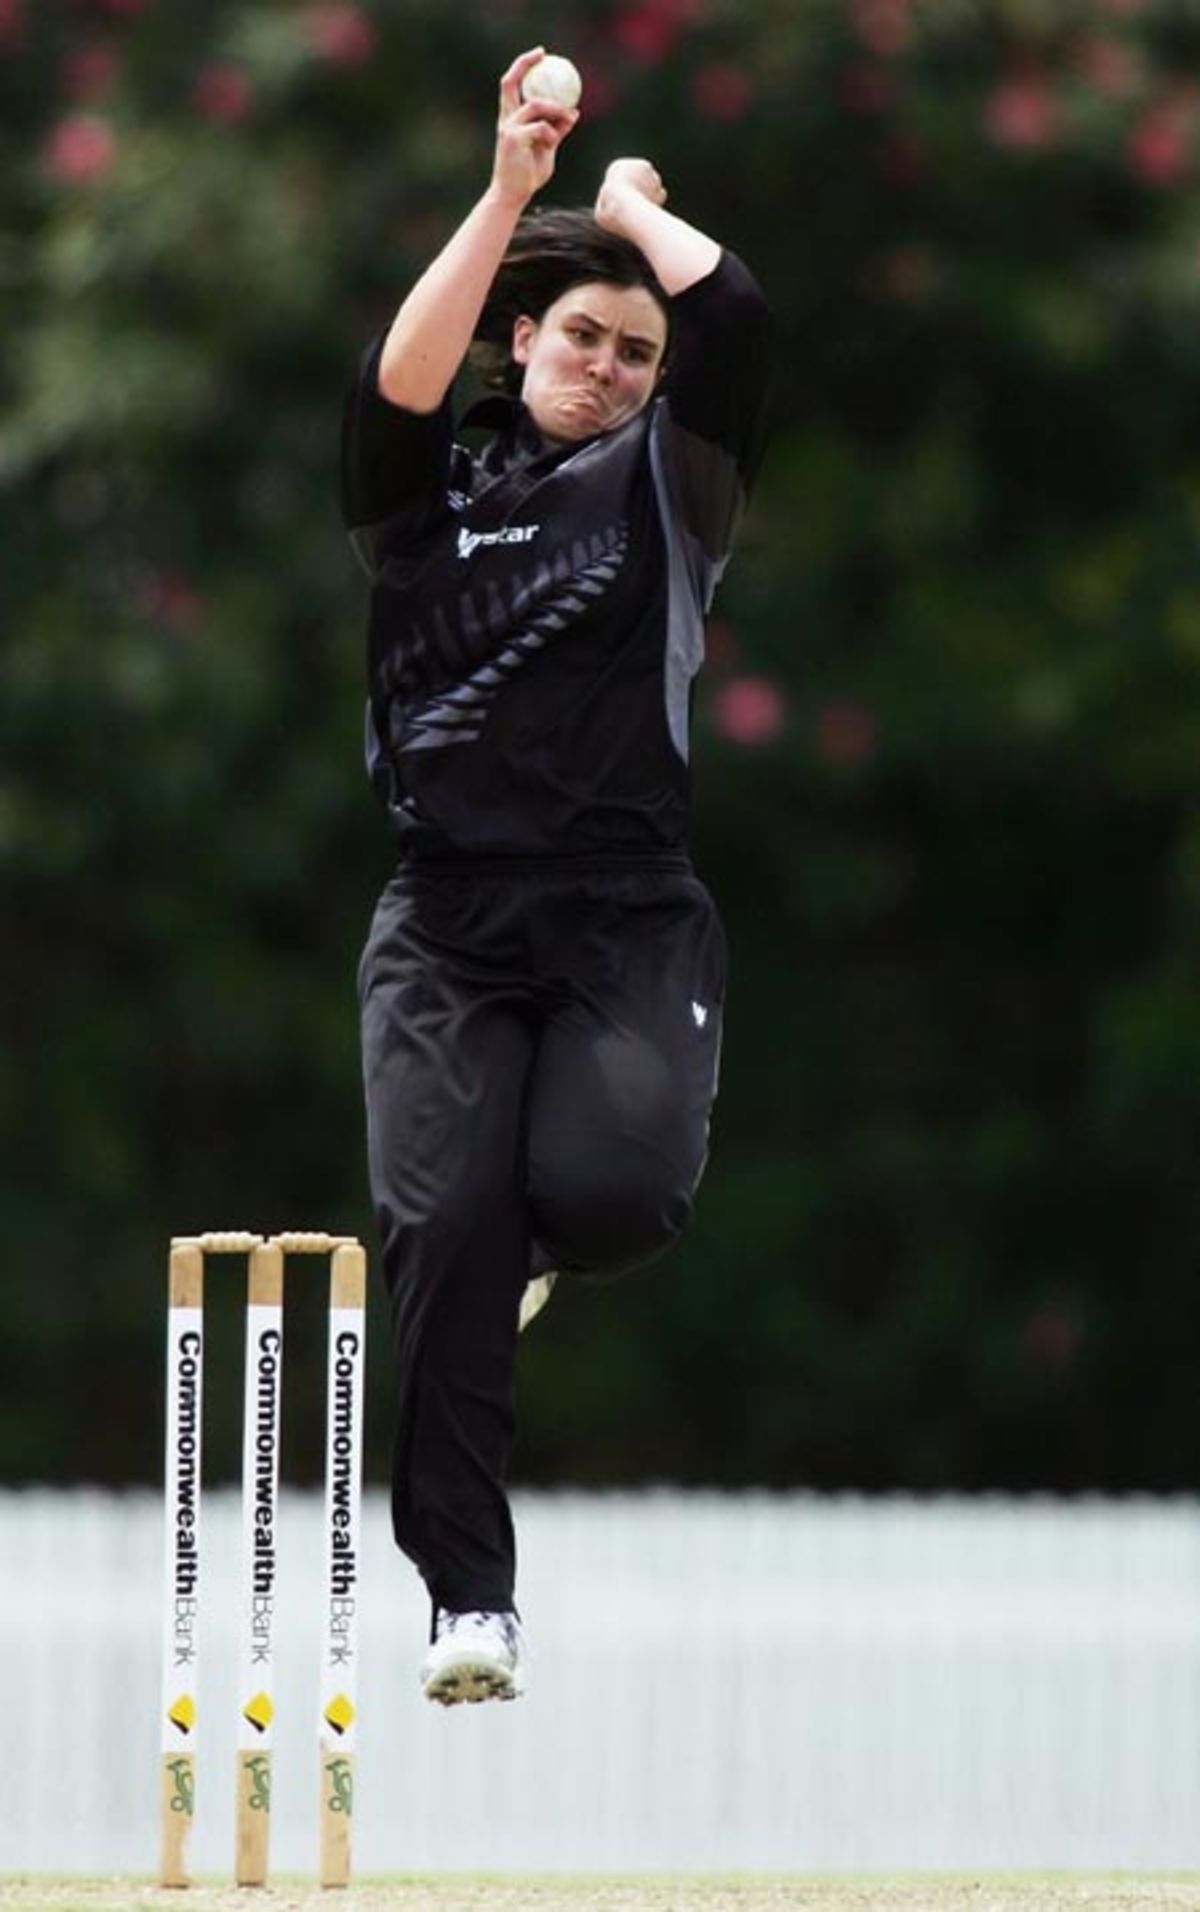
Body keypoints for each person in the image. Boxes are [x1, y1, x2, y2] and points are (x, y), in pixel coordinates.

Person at [341, 45, 770, 1706]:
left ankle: (523, 1251)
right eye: (580, 334)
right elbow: (390, 382)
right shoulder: (424, 496)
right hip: (445, 915)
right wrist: (512, 194)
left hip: (620, 909)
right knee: (440, 1230)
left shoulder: (671, 484)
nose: (605, 364)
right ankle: (470, 1601)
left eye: (632, 353)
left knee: (616, 1199)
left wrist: (626, 207)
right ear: (525, 340)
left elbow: (736, 321)